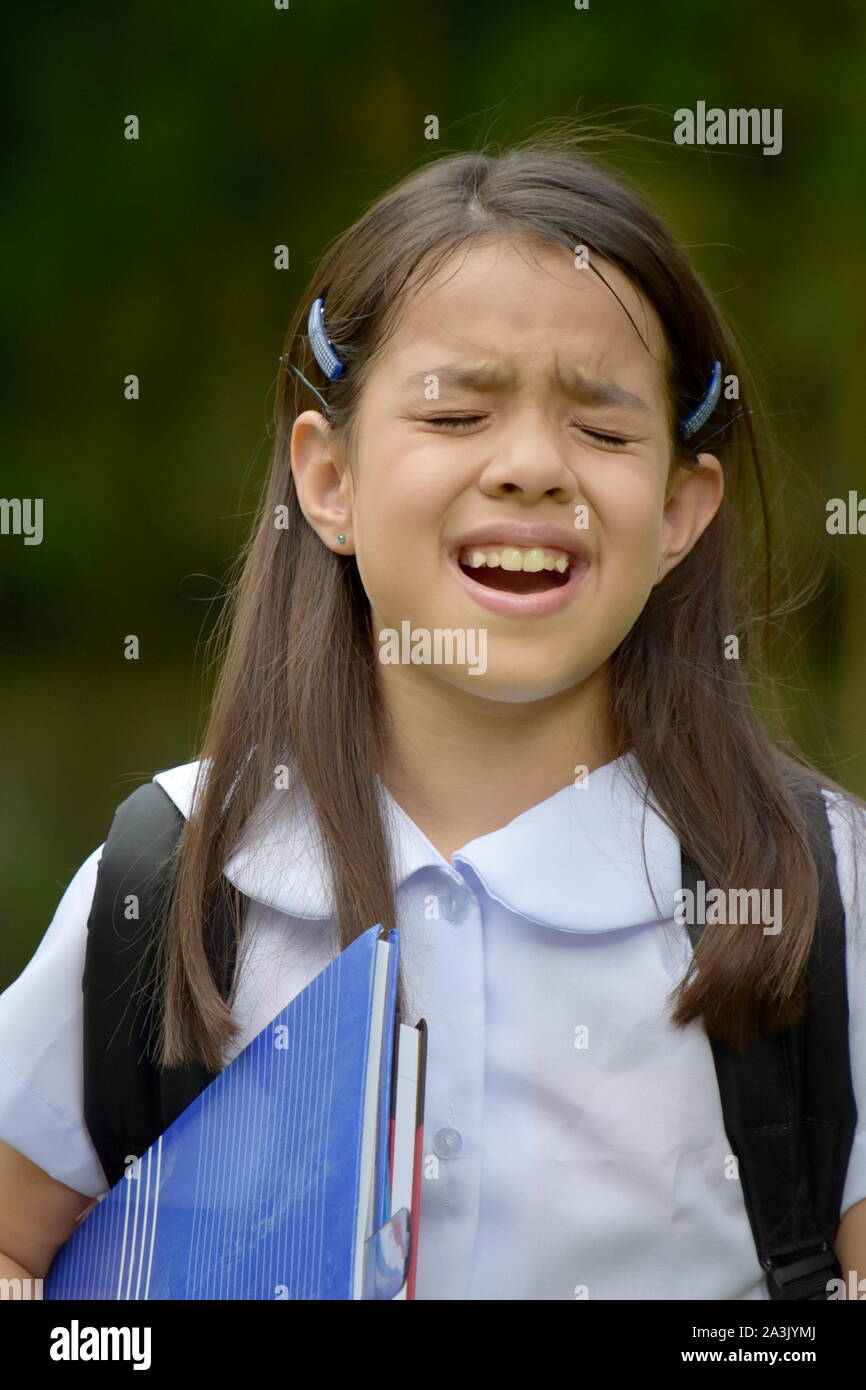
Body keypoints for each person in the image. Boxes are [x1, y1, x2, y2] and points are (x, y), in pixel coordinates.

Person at [2, 130, 865, 1300]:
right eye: (457, 415)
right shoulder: (177, 873)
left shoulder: (816, 890)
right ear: (329, 480)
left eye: (602, 430)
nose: (531, 467)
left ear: (677, 508)